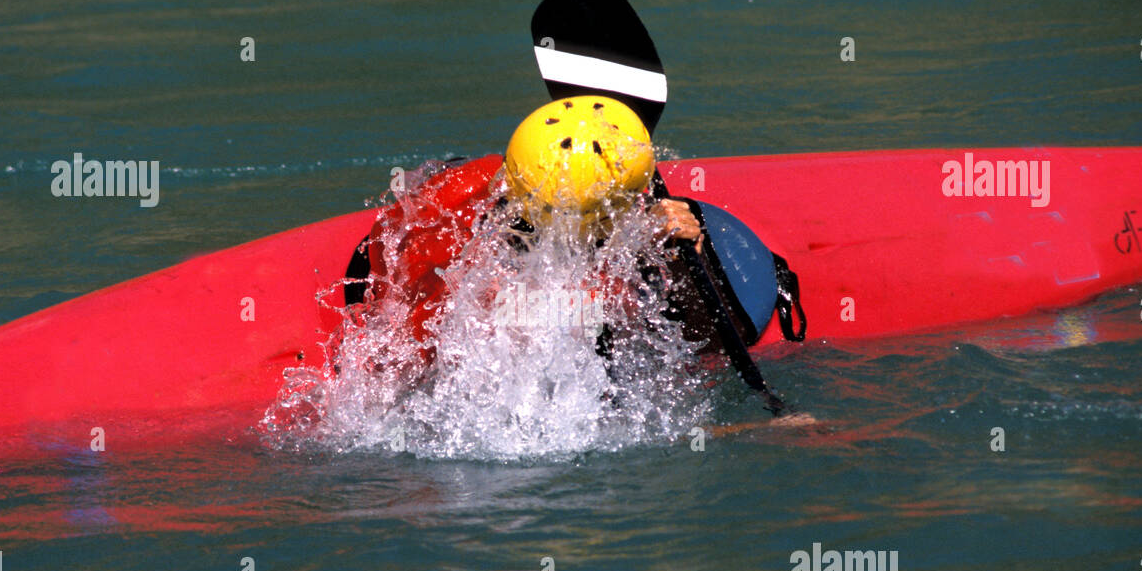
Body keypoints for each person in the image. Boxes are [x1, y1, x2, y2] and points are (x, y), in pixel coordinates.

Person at [343, 94, 800, 414]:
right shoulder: (451, 240)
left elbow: (711, 344)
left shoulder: (521, 184)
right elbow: (391, 378)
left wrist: (688, 257)